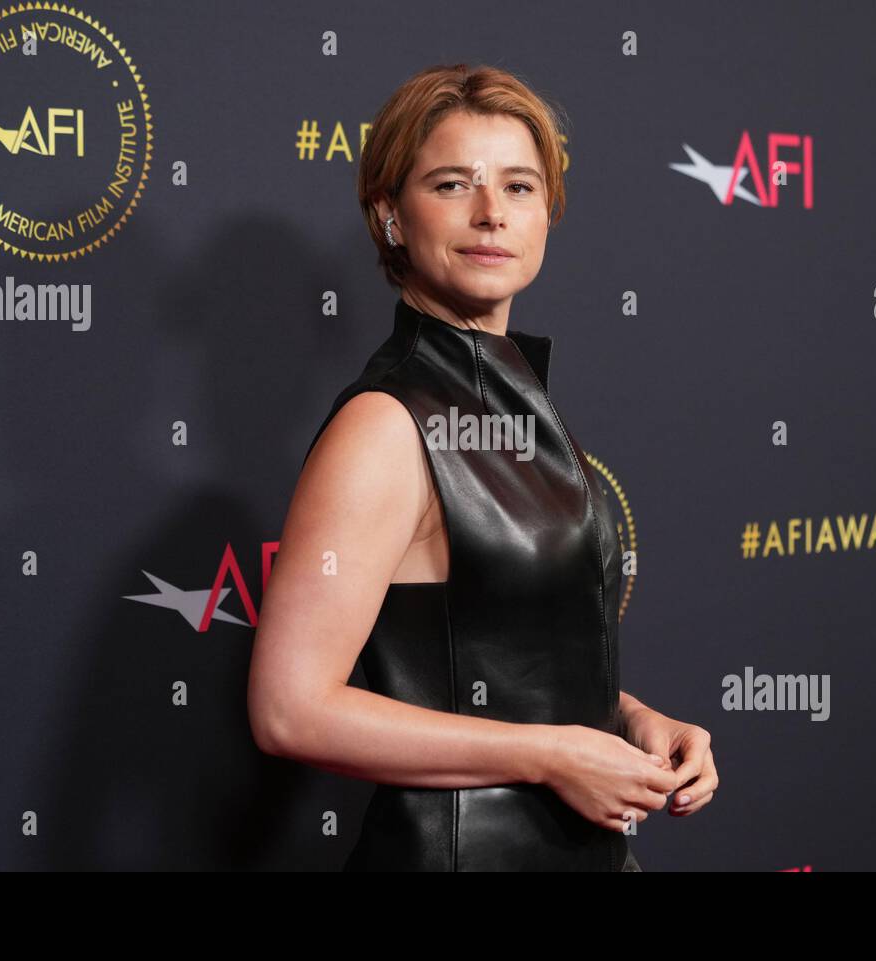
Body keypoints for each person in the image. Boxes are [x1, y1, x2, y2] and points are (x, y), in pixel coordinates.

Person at [248, 63, 717, 871]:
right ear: (391, 216)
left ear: (548, 214)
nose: (492, 213)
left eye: (520, 186)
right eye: (453, 183)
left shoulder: (513, 398)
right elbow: (289, 710)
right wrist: (554, 755)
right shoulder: (385, 424)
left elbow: (503, 655)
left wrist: (627, 720)